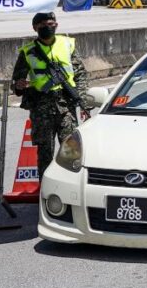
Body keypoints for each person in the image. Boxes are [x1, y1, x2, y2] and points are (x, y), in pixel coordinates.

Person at [11, 12, 95, 174]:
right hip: (41, 109)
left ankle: (69, 192)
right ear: (35, 28)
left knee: (71, 153)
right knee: (45, 155)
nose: (49, 28)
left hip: (66, 108)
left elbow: (81, 75)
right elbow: (17, 83)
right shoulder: (28, 52)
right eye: (44, 26)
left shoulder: (67, 44)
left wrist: (82, 99)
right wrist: (19, 86)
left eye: (52, 24)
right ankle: (45, 193)